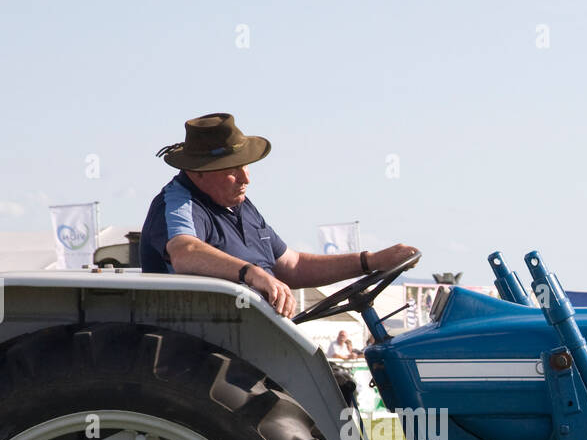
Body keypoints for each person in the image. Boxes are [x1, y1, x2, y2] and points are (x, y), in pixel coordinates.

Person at [139, 113, 418, 319]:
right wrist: (253, 274)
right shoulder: (177, 203)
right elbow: (185, 252)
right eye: (232, 169)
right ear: (197, 171)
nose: (245, 178)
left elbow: (291, 265)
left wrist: (369, 261)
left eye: (245, 165)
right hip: (209, 342)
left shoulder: (241, 206)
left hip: (252, 332)